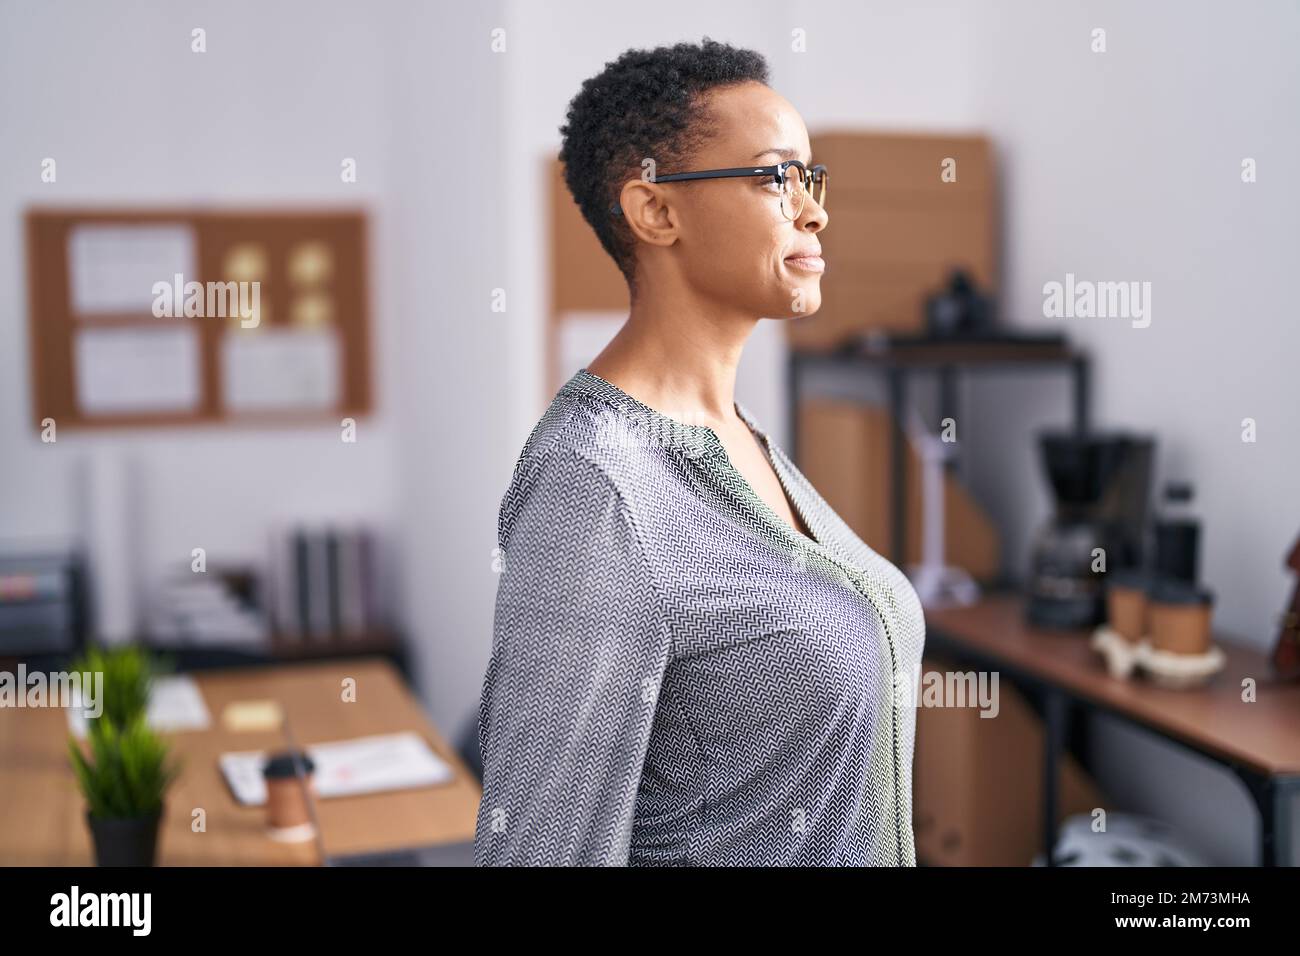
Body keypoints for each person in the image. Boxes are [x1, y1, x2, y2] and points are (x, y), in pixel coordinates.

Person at [474, 37, 925, 866]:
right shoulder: (596, 487)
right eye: (773, 176)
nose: (814, 210)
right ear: (656, 212)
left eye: (810, 178)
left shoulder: (738, 435)